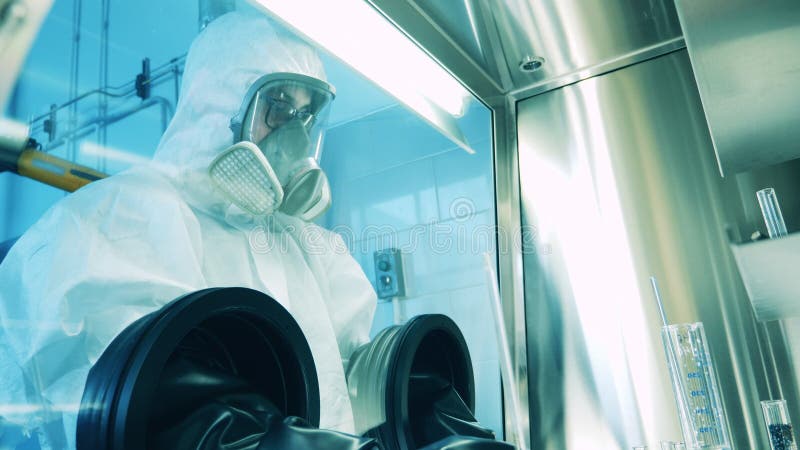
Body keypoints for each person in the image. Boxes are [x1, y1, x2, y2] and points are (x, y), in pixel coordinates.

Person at [0, 11, 376, 448]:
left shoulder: (309, 250)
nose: (292, 136)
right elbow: (134, 398)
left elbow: (365, 381)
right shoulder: (125, 217)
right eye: (278, 108)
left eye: (305, 116)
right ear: (219, 105)